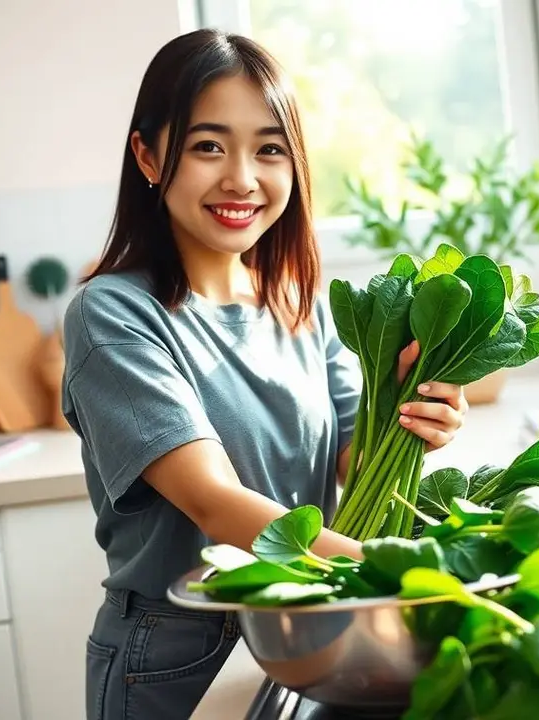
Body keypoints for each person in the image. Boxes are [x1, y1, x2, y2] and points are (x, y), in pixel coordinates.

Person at [60, 28, 468, 720]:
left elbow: (354, 461)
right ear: (148, 156)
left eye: (269, 149)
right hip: (179, 651)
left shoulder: (296, 307)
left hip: (311, 630)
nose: (242, 179)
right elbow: (215, 504)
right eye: (208, 146)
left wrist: (416, 418)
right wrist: (390, 577)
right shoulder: (112, 313)